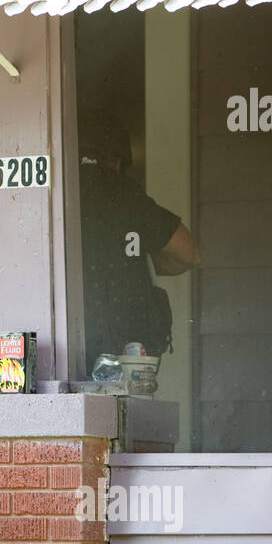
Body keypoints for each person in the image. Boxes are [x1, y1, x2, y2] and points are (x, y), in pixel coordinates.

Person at [77, 113, 200, 371]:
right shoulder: (120, 190)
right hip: (123, 352)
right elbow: (187, 253)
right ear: (115, 161)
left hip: (56, 350)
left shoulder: (50, 187)